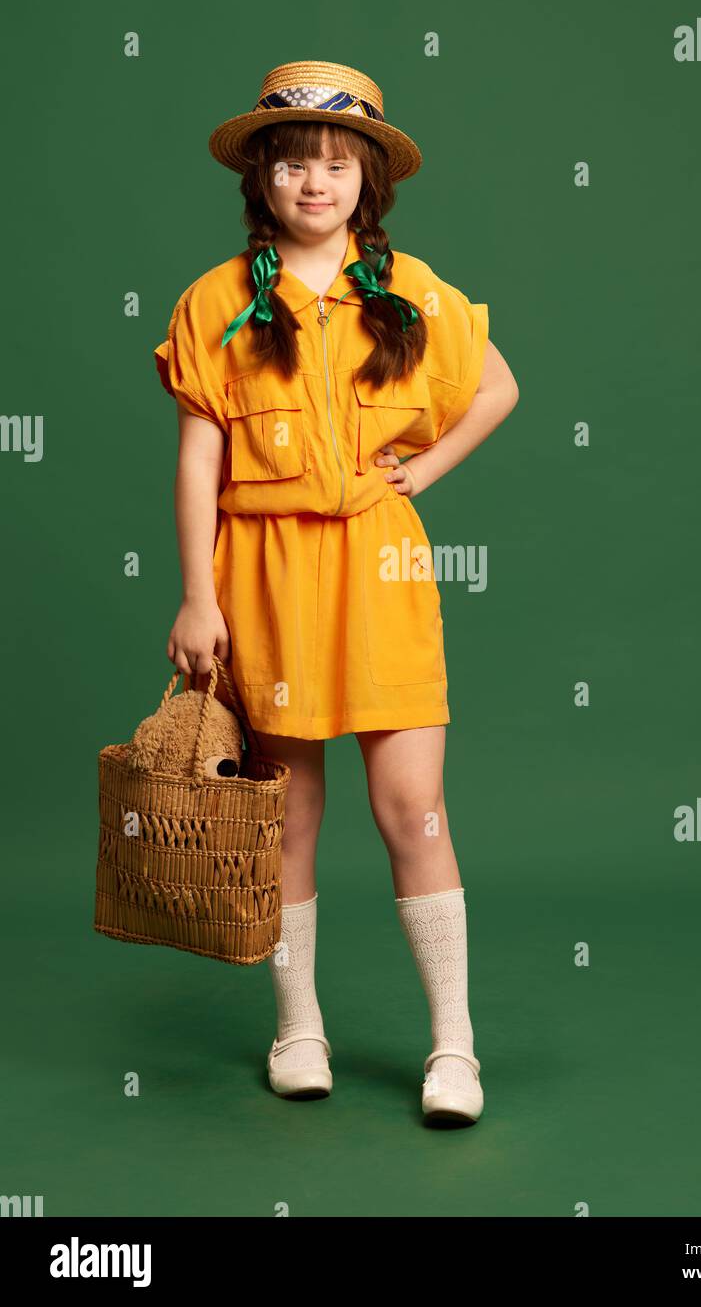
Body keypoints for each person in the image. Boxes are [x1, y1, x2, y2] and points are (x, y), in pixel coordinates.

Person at [154, 60, 519, 1124]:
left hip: (383, 567)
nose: (315, 184)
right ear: (259, 177)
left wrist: (420, 470)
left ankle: (455, 1048)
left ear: (367, 180)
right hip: (259, 570)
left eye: (335, 165)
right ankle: (297, 1029)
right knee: (286, 817)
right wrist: (194, 596)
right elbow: (195, 460)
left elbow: (496, 386)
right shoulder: (217, 300)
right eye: (294, 164)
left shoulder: (411, 290)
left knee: (415, 807)